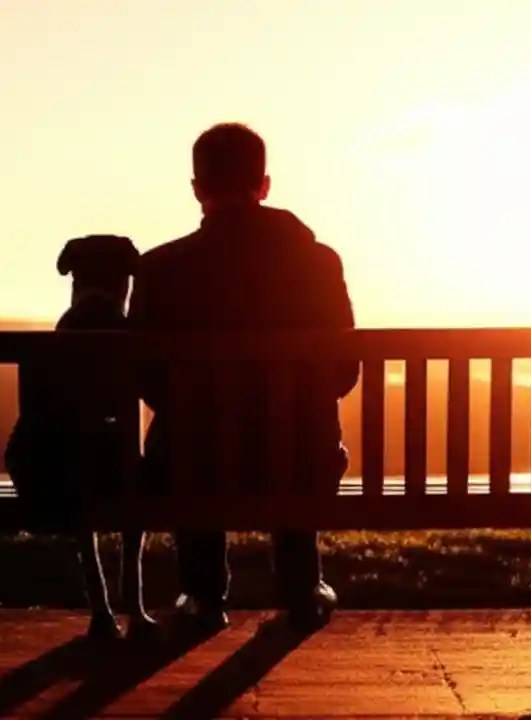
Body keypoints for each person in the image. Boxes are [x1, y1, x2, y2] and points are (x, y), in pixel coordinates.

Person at [130, 123, 359, 630]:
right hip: (302, 464)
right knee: (303, 431)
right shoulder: (319, 263)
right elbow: (343, 374)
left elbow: (145, 381)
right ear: (265, 184)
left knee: (182, 438)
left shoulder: (159, 269)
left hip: (193, 465)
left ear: (197, 188)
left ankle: (204, 593)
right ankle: (302, 586)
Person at [4, 233, 156, 640]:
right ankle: (134, 605)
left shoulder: (62, 334)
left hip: (44, 476)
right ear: (124, 283)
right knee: (124, 467)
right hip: (108, 473)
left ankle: (101, 609)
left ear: (75, 279)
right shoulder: (127, 338)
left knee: (75, 464)